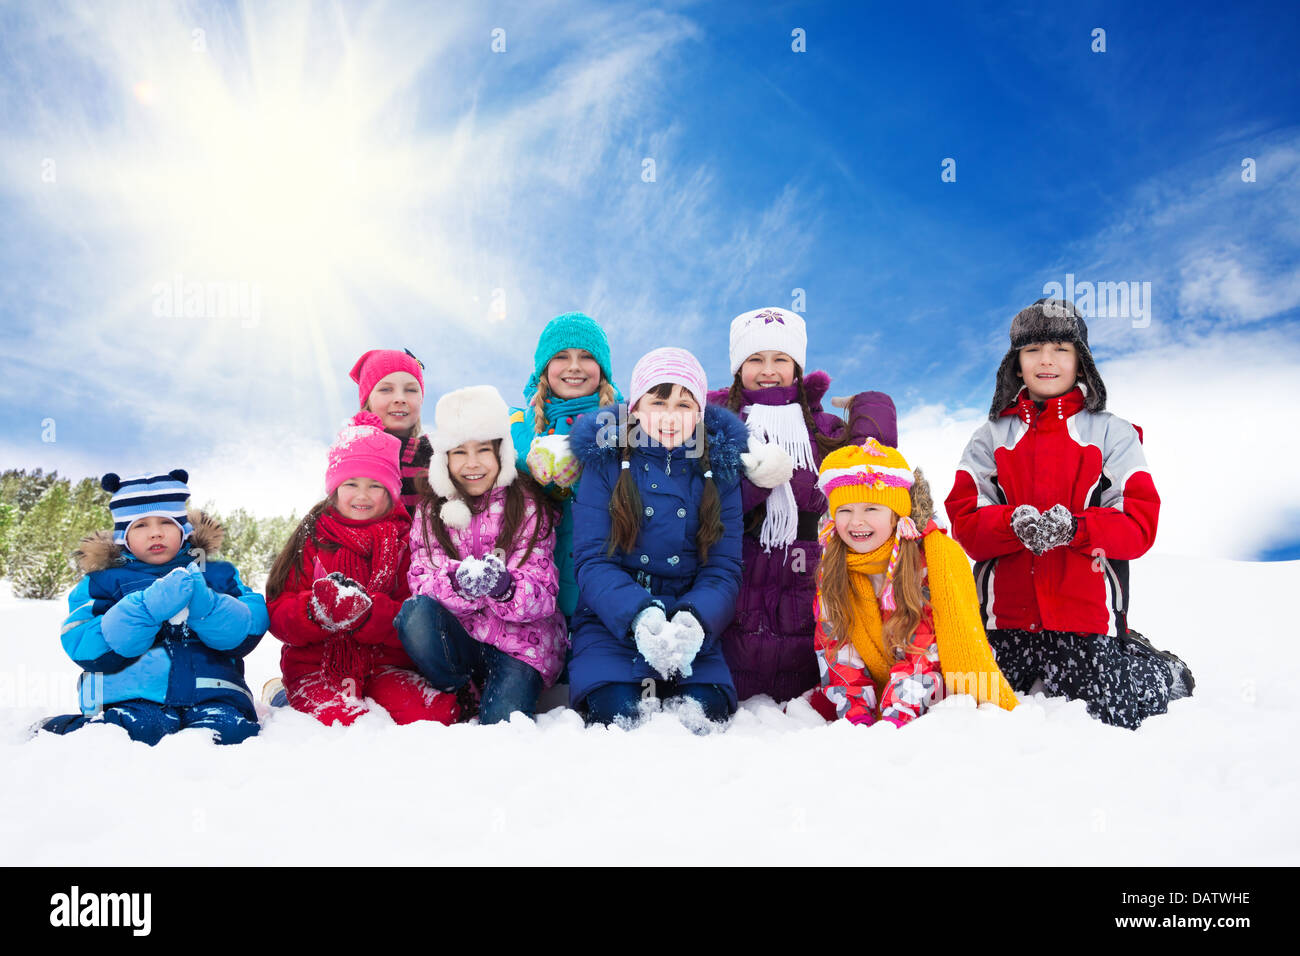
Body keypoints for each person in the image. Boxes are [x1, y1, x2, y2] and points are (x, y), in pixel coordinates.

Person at [945, 297, 1192, 729]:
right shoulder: (990, 437)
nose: (1046, 360)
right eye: (1032, 350)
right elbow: (966, 521)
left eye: (1061, 348)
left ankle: (1155, 667)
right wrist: (1012, 525)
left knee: (1111, 714)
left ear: (1082, 362)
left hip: (1086, 619)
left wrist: (1075, 529)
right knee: (973, 708)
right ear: (1015, 364)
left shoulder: (1112, 433)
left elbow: (1138, 526)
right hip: (1005, 620)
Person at [708, 306, 897, 704]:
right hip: (736, 558)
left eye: (780, 359)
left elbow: (867, 473)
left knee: (803, 686)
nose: (768, 369)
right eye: (755, 359)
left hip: (807, 567)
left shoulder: (823, 428)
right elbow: (702, 501)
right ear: (737, 366)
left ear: (796, 366)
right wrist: (754, 487)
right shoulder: (718, 423)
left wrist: (873, 411)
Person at [567, 347, 748, 726]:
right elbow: (592, 559)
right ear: (634, 409)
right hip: (612, 621)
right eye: (658, 401)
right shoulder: (606, 463)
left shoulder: (720, 471)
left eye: (684, 405)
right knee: (617, 713)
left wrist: (696, 621)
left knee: (704, 713)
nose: (669, 416)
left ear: (699, 413)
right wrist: (638, 615)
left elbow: (723, 567)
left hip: (689, 621)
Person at [41, 470, 265, 745]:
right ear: (124, 535)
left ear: (184, 530)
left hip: (213, 691)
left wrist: (207, 607)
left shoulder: (217, 574)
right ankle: (63, 731)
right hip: (129, 694)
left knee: (232, 733)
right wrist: (145, 609)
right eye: (141, 525)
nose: (156, 533)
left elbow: (250, 624)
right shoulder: (102, 581)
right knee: (138, 732)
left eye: (166, 523)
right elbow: (83, 642)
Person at [265, 412, 457, 727]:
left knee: (436, 715)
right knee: (346, 723)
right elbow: (278, 612)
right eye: (351, 483)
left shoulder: (405, 541)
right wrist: (316, 611)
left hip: (386, 665)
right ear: (335, 487)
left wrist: (369, 615)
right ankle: (284, 695)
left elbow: (414, 617)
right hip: (318, 665)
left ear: (392, 490)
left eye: (375, 485)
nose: (363, 495)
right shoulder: (313, 536)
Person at [811, 441, 1018, 725]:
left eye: (872, 508)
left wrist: (894, 720)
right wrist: (856, 720)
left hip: (937, 687)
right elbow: (838, 654)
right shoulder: (834, 569)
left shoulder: (929, 561)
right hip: (885, 692)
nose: (856, 521)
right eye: (845, 510)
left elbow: (924, 652)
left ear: (897, 515)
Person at [397, 386, 567, 724]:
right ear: (444, 459)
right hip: (463, 638)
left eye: (483, 450)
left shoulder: (527, 506)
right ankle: (461, 687)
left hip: (520, 645)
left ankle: (503, 692)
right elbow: (420, 578)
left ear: (501, 453)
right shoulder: (432, 511)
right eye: (459, 452)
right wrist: (458, 583)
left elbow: (543, 591)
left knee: (501, 728)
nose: (472, 464)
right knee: (414, 614)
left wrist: (503, 586)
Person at [509, 311, 622, 620]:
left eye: (586, 356)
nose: (574, 366)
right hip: (529, 598)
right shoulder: (516, 424)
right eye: (561, 356)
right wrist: (526, 467)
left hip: (603, 594)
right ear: (545, 368)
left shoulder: (627, 424)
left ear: (602, 369)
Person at [351, 348, 431, 512]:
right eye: (386, 389)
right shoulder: (353, 456)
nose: (400, 398)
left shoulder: (436, 456)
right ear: (367, 401)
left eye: (411, 390)